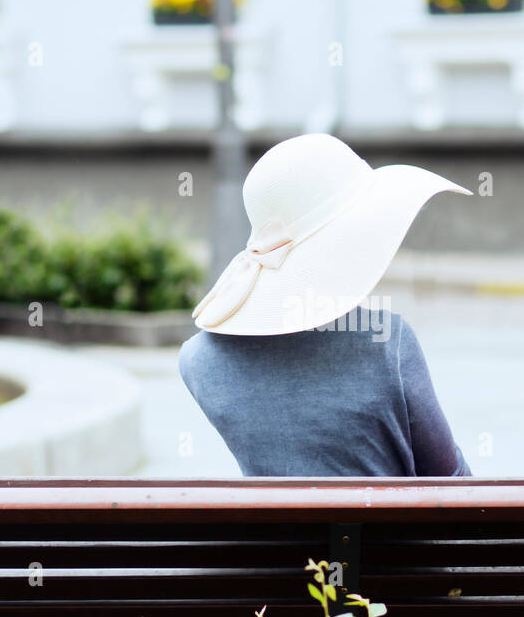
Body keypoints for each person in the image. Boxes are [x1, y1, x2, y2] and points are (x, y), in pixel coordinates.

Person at [179, 132, 472, 477]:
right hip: (390, 533)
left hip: (276, 534)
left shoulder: (197, 361)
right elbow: (451, 483)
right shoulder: (388, 342)